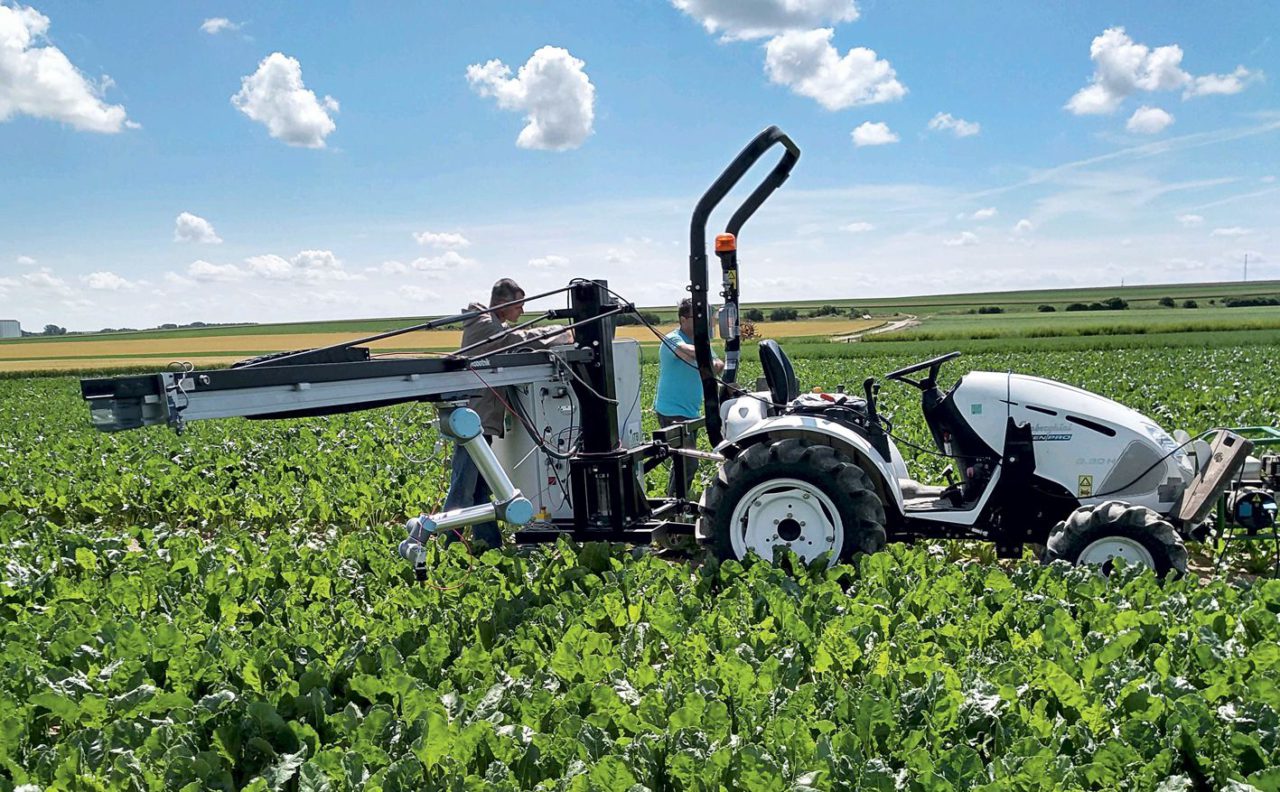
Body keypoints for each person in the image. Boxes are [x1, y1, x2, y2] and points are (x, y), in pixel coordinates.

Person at [441, 278, 571, 550]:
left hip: (480, 422)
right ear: (504, 303)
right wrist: (562, 331)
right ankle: (448, 545)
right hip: (473, 422)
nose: (521, 312)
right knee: (463, 489)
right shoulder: (485, 325)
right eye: (519, 306)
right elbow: (517, 339)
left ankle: (489, 543)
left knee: (480, 489)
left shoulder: (490, 324)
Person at [653, 297, 722, 497]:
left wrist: (702, 357)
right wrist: (702, 357)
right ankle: (675, 504)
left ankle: (675, 501)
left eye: (707, 318)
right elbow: (689, 353)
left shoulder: (700, 342)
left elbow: (718, 366)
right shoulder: (672, 338)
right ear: (683, 319)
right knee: (688, 461)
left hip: (690, 411)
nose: (706, 322)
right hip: (671, 410)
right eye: (699, 317)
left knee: (683, 461)